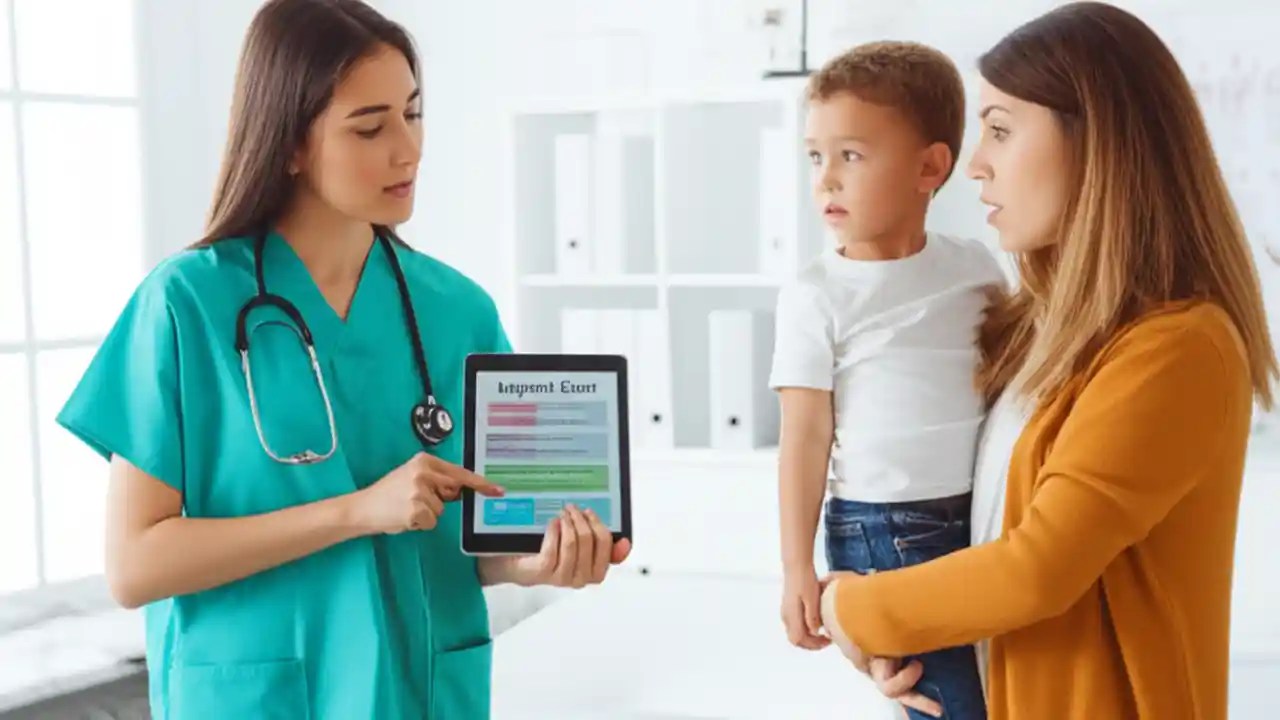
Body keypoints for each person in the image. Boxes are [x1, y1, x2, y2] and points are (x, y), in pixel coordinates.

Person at [54, 1, 630, 718]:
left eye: (413, 115)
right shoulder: (185, 306)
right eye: (370, 126)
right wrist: (355, 511)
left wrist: (536, 561)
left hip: (418, 693)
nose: (408, 149)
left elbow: (477, 543)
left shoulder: (457, 310)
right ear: (289, 143)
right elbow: (135, 566)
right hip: (259, 698)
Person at [818, 3, 1276, 719]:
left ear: (1098, 144)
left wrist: (853, 609)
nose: (975, 164)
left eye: (1000, 130)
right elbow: (981, 535)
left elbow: (1036, 571)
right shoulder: (1040, 329)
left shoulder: (1180, 347)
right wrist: (915, 644)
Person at [769, 41, 1005, 720]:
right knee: (956, 708)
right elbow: (805, 438)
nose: (826, 180)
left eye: (851, 155)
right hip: (883, 527)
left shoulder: (976, 270)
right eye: (816, 156)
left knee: (989, 691)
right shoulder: (816, 294)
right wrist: (795, 571)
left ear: (930, 167)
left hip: (974, 517)